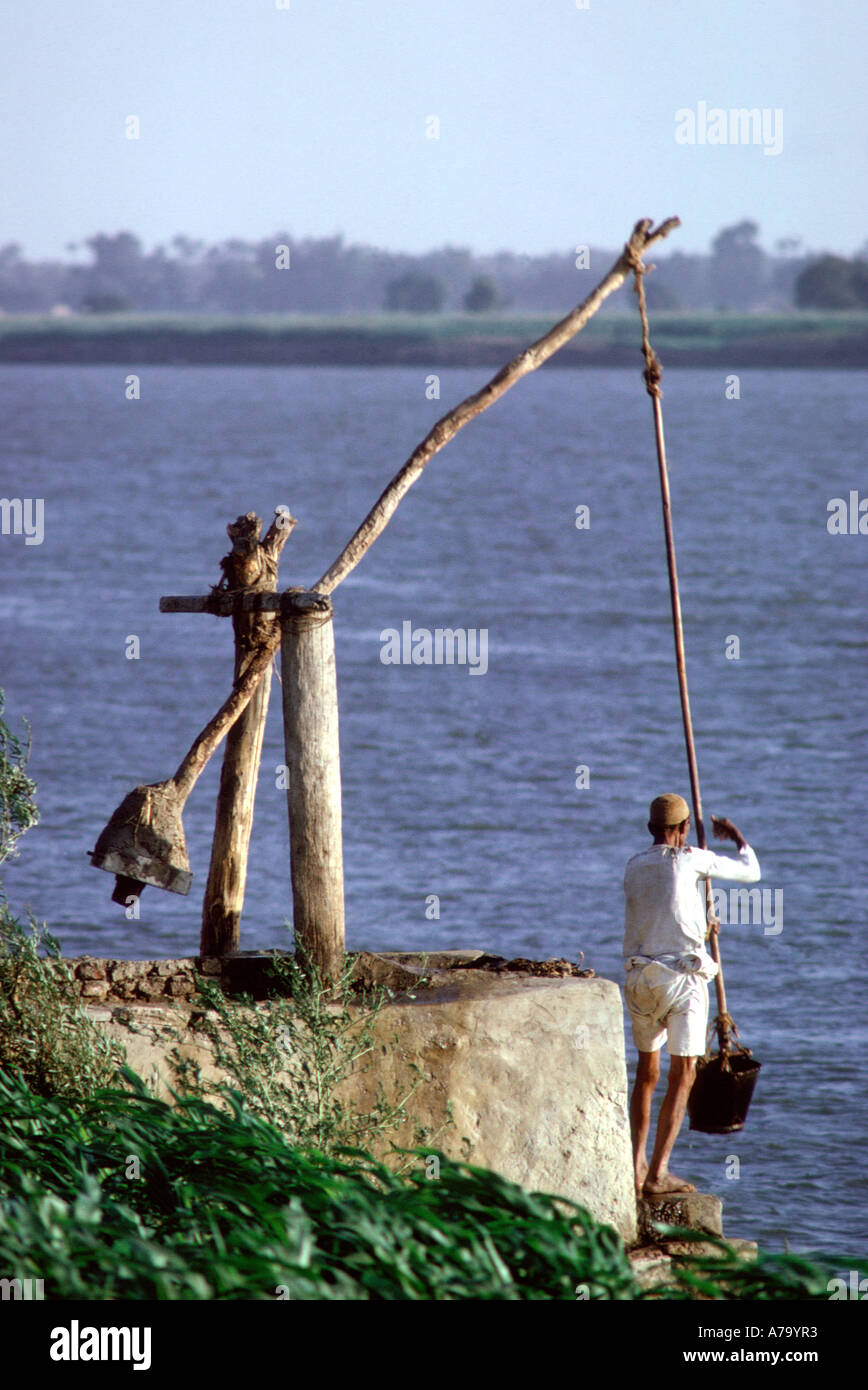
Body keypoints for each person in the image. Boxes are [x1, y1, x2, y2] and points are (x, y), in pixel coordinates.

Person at [623, 792, 761, 1197]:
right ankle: (658, 1175)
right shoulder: (693, 858)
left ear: (651, 830)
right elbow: (751, 871)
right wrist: (735, 834)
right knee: (682, 1074)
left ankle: (635, 1167)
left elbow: (663, 911)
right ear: (684, 830)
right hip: (681, 981)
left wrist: (704, 924)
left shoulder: (632, 867)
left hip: (638, 980)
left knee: (646, 1075)